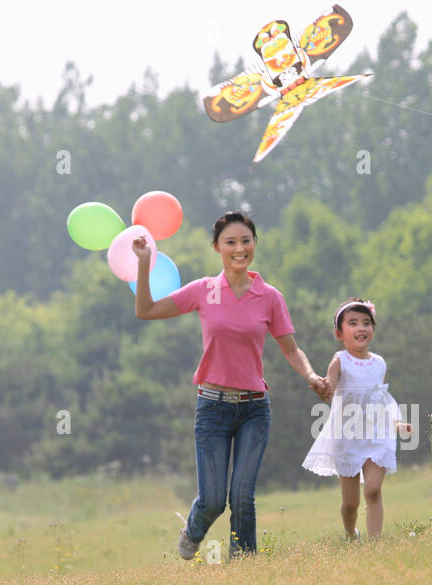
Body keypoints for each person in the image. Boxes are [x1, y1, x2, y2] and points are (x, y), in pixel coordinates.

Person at [132, 211, 330, 558]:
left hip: (255, 408)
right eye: (231, 242)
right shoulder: (203, 291)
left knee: (242, 496)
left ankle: (244, 562)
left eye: (246, 241)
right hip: (212, 407)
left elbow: (291, 349)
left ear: (254, 244)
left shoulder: (270, 297)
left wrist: (312, 376)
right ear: (217, 247)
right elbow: (146, 310)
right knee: (212, 500)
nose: (240, 248)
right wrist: (144, 264)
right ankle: (194, 530)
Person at [302, 299, 410, 539]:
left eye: (366, 323)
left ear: (373, 328)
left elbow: (383, 400)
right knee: (351, 503)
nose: (361, 328)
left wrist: (397, 423)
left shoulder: (379, 363)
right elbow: (329, 386)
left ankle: (375, 543)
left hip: (377, 433)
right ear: (339, 333)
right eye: (353, 323)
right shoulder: (340, 360)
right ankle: (351, 533)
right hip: (347, 435)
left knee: (373, 490)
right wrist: (323, 387)